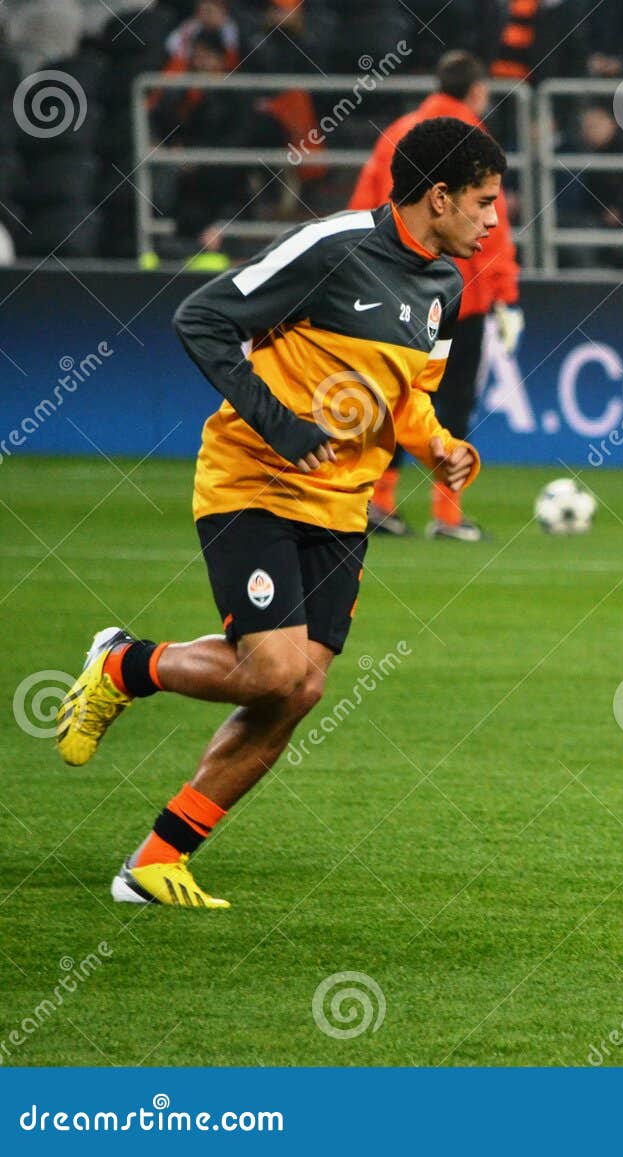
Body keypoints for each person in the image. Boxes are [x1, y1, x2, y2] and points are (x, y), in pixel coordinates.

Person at [51, 117, 503, 909]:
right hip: (252, 481)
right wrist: (282, 425)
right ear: (440, 197)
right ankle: (124, 664)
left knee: (297, 691)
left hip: (341, 508)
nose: (496, 220)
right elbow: (202, 317)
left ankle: (156, 860)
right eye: (485, 201)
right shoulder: (333, 248)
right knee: (270, 668)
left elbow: (413, 401)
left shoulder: (444, 285)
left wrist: (440, 449)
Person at [349, 51, 521, 541]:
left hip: (396, 287)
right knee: (456, 401)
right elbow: (495, 226)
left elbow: (365, 206)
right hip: (461, 293)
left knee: (394, 395)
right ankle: (446, 515)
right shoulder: (476, 145)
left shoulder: (400, 132)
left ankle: (378, 502)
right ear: (478, 90)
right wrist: (506, 293)